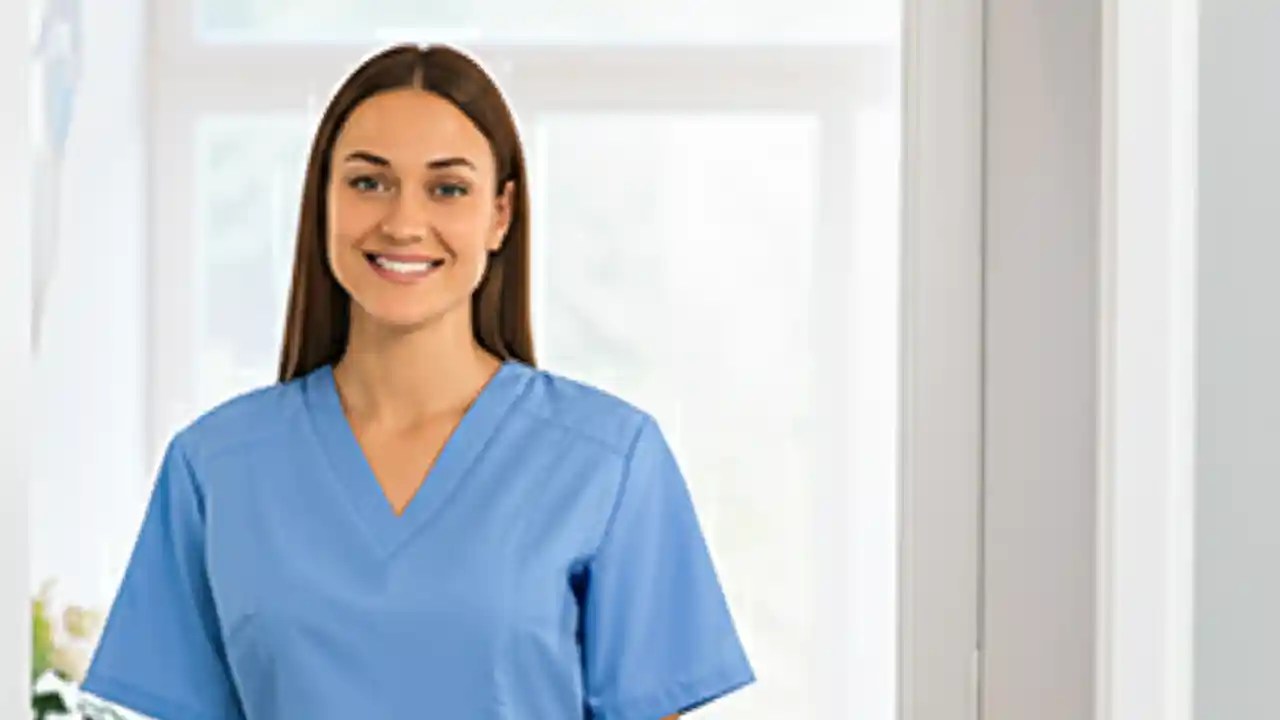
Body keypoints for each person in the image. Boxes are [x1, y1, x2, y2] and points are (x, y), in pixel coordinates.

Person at [79, 43, 755, 719]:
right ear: (323, 201)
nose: (403, 222)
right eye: (368, 182)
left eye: (448, 188)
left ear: (500, 214)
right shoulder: (215, 467)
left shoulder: (608, 462)